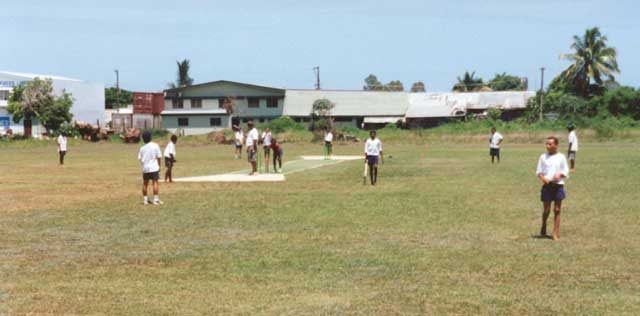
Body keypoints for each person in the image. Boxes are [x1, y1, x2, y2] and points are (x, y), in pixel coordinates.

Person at [536, 136, 569, 241]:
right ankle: (544, 223)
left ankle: (555, 232)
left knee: (557, 210)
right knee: (546, 210)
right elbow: (539, 172)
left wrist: (560, 175)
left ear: (556, 145)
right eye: (547, 144)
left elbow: (566, 171)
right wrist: (543, 179)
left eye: (550, 144)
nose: (548, 146)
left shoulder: (561, 157)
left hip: (558, 186)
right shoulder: (543, 157)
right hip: (547, 186)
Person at [138, 131, 163, 205]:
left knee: (145, 183)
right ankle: (155, 199)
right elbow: (158, 157)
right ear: (150, 137)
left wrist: (144, 165)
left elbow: (140, 158)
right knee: (155, 182)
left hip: (145, 168)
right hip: (154, 167)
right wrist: (158, 166)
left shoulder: (142, 148)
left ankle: (145, 200)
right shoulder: (155, 145)